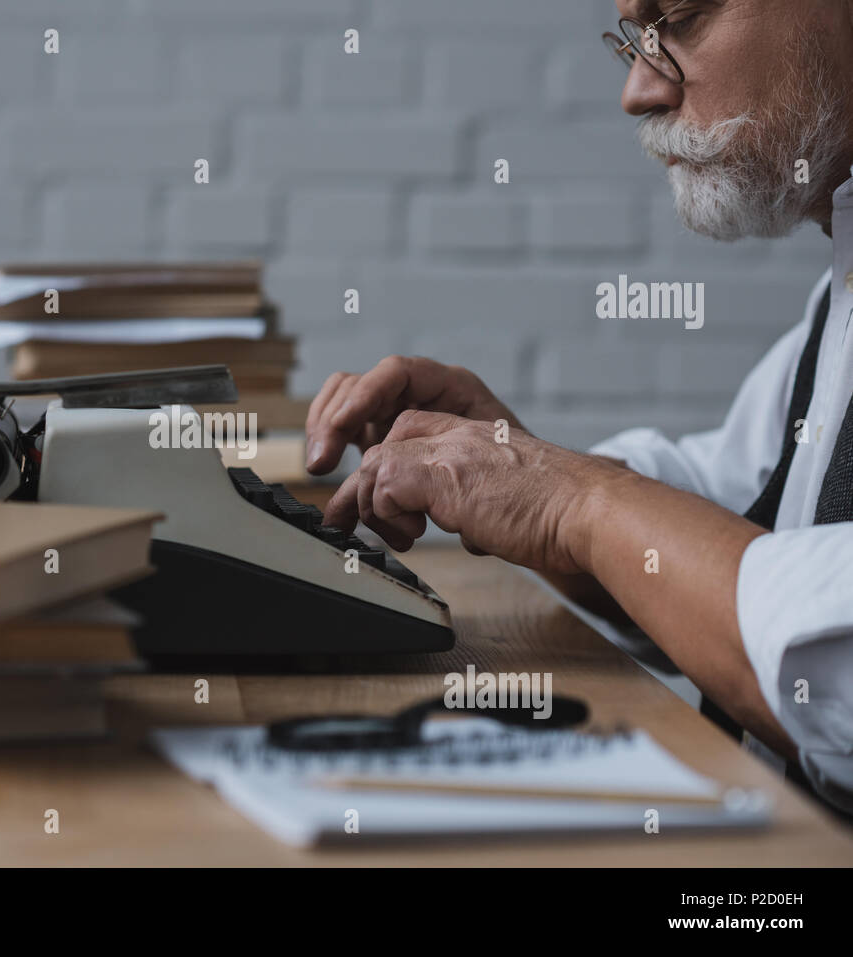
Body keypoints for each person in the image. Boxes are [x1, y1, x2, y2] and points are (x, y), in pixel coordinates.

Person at [304, 0, 853, 813]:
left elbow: (828, 661)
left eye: (686, 19)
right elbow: (727, 521)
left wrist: (572, 500)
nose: (638, 91)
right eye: (637, 38)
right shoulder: (835, 301)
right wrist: (512, 464)